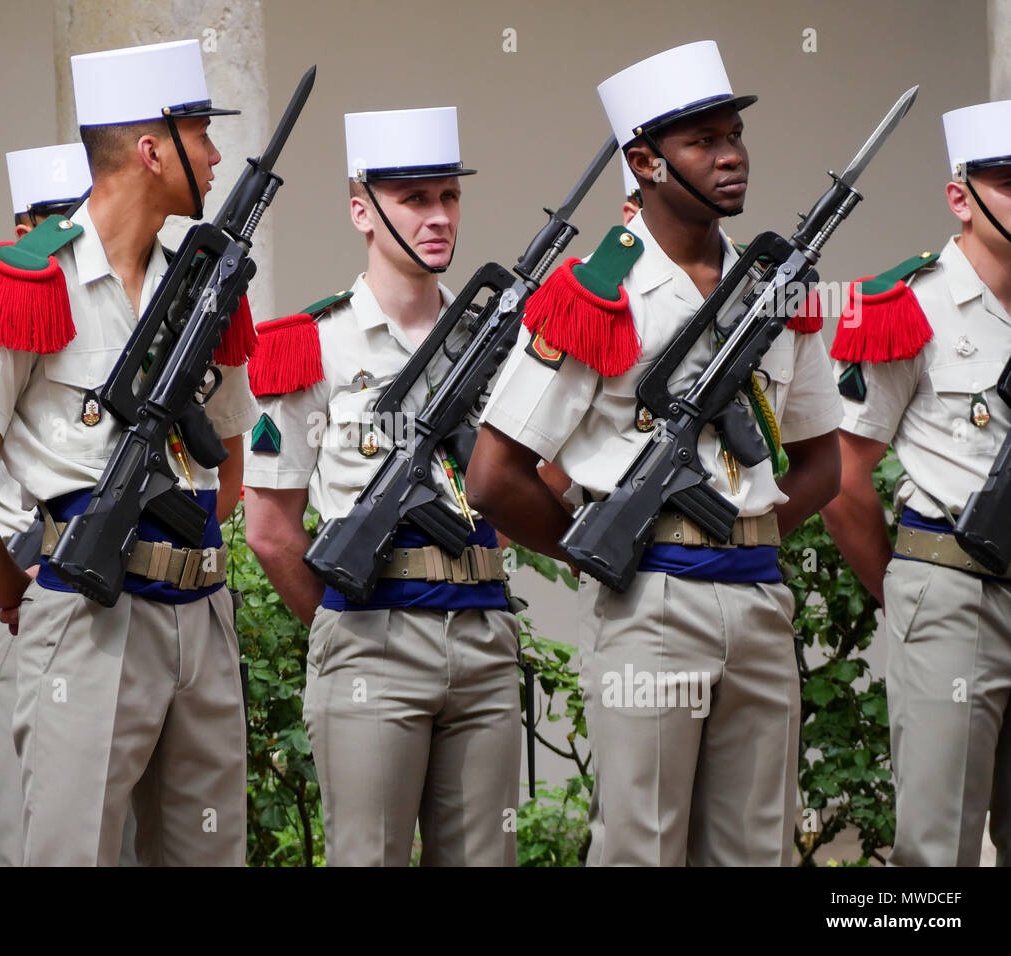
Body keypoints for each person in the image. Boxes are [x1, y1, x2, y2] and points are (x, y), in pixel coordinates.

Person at [465, 40, 842, 866]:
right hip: (652, 599)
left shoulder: (775, 290)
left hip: (757, 595)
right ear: (645, 161)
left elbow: (822, 461)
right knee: (644, 846)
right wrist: (608, 550)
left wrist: (752, 535)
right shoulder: (595, 294)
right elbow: (493, 476)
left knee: (756, 849)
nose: (732, 155)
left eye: (734, 135)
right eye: (702, 141)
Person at [0, 39, 258, 866]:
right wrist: (17, 595)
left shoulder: (206, 278)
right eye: (201, 133)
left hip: (201, 616)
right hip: (87, 620)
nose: (216, 155)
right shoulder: (32, 280)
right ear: (151, 149)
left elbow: (230, 462)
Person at [243, 106, 520, 867]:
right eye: (414, 199)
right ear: (362, 209)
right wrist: (344, 627)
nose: (437, 218)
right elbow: (269, 530)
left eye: (448, 197)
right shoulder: (310, 345)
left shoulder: (495, 343)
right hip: (370, 638)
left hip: (485, 629)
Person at [822, 100, 1011, 867]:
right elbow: (842, 482)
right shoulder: (908, 306)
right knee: (938, 851)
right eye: (1007, 181)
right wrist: (908, 591)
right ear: (959, 196)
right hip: (952, 593)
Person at [0, 141, 91, 867]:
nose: (71, 238)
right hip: (22, 604)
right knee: (23, 826)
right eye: (53, 222)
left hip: (108, 603)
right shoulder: (2, 322)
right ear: (24, 231)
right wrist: (13, 588)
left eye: (81, 219)